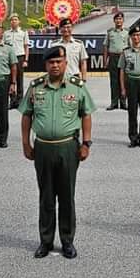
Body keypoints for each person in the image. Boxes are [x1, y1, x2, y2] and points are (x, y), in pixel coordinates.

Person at [19, 45, 96, 260]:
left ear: (65, 63)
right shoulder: (36, 87)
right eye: (51, 62)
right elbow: (26, 115)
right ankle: (45, 241)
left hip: (68, 147)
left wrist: (86, 143)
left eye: (58, 62)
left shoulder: (76, 87)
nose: (55, 65)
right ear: (46, 64)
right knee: (46, 197)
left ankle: (67, 241)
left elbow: (86, 113)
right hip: (43, 147)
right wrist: (26, 144)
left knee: (66, 196)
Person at [4, 14, 31, 109]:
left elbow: (26, 47)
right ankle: (12, 100)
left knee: (19, 79)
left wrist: (26, 60)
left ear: (19, 21)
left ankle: (19, 101)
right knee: (10, 80)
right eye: (12, 20)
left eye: (15, 19)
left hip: (19, 57)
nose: (13, 21)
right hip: (9, 58)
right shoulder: (6, 34)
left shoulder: (23, 33)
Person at [103, 12, 128, 111]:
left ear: (123, 21)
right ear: (114, 21)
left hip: (123, 58)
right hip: (113, 58)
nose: (119, 21)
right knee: (114, 81)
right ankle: (114, 103)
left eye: (120, 19)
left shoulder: (126, 32)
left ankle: (123, 102)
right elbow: (105, 47)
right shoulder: (110, 33)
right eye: (117, 19)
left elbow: (130, 46)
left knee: (124, 81)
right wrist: (105, 60)